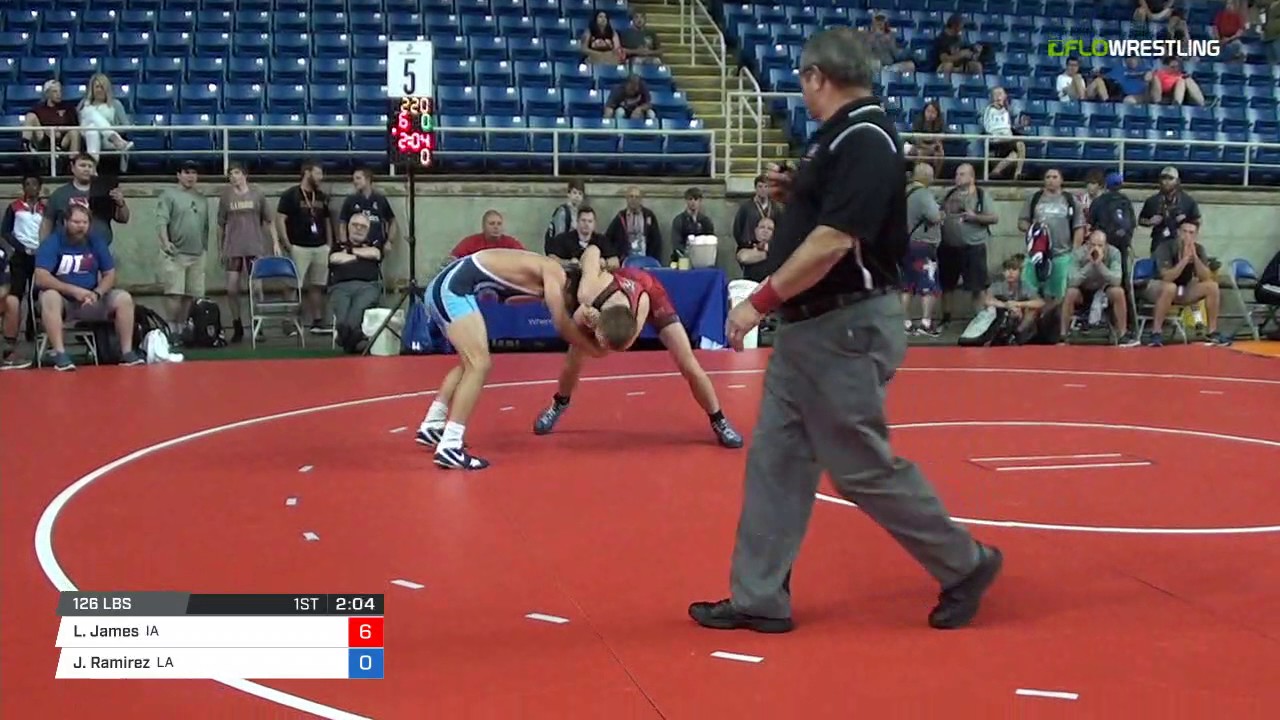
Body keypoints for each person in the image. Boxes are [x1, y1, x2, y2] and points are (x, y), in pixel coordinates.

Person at [688, 28, 1001, 634]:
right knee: (776, 462)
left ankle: (965, 564)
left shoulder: (864, 137)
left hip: (843, 328)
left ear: (815, 77)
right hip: (813, 331)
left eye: (803, 82)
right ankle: (758, 597)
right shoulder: (844, 139)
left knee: (860, 467)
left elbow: (835, 241)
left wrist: (760, 301)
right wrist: (798, 192)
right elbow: (831, 213)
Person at [531, 244, 744, 449]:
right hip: (614, 288)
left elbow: (617, 346)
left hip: (649, 290)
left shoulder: (640, 308)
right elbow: (593, 249)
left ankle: (719, 419)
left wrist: (598, 347)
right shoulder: (587, 294)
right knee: (573, 359)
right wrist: (591, 264)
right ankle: (559, 403)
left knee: (688, 362)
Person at [414, 248, 600, 470]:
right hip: (453, 288)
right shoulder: (556, 273)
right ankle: (450, 446)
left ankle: (433, 423)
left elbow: (510, 299)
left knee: (469, 363)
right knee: (479, 364)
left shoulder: (538, 278)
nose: (567, 306)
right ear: (572, 288)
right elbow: (560, 323)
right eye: (570, 303)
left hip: (447, 285)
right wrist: (593, 349)